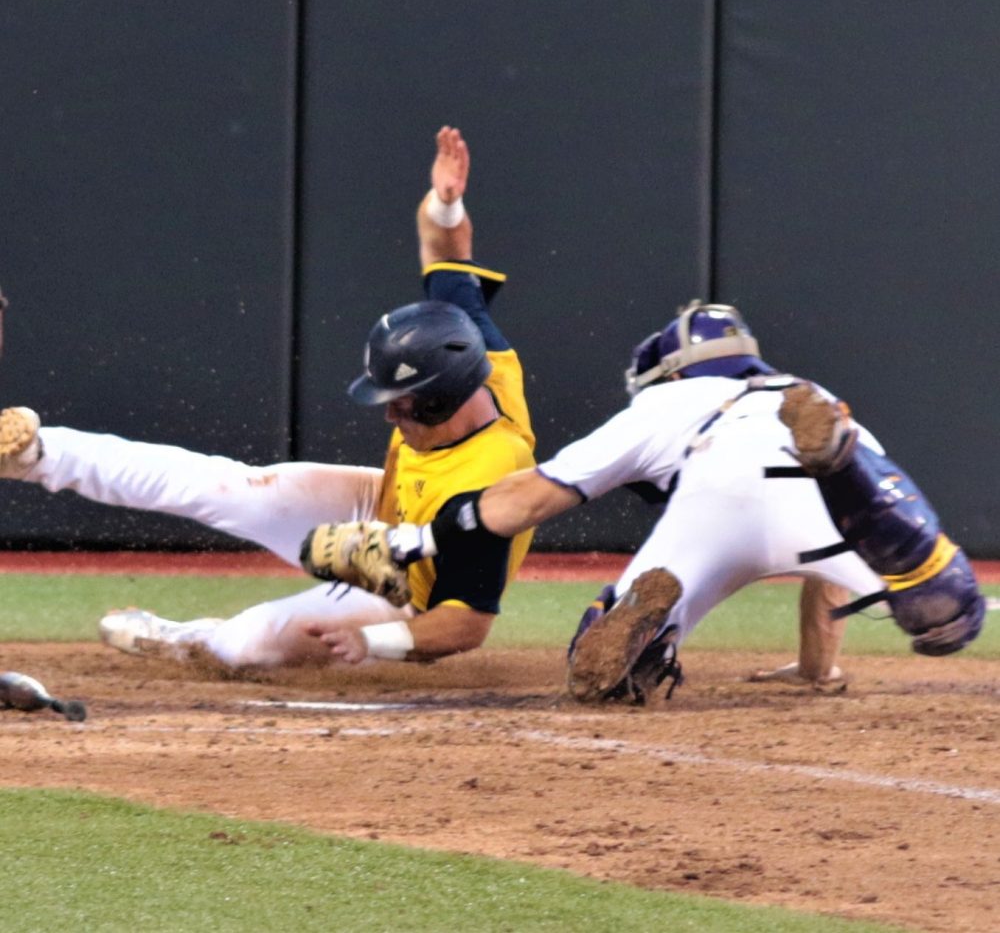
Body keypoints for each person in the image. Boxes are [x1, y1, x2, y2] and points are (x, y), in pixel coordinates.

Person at [0, 126, 536, 668]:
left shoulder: (492, 489)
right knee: (231, 487)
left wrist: (372, 641)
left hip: (410, 600)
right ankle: (37, 453)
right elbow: (445, 248)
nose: (389, 415)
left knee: (253, 643)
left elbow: (466, 625)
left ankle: (196, 640)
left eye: (400, 402)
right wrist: (446, 203)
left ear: (443, 397)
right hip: (385, 507)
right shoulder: (473, 347)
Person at [315, 301, 986, 702]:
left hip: (712, 497)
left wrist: (421, 540)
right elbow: (820, 581)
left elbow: (529, 500)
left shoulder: (665, 402)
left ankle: (646, 645)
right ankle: (861, 493)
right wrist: (816, 670)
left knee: (601, 675)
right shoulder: (805, 393)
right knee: (946, 614)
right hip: (822, 491)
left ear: (670, 370)